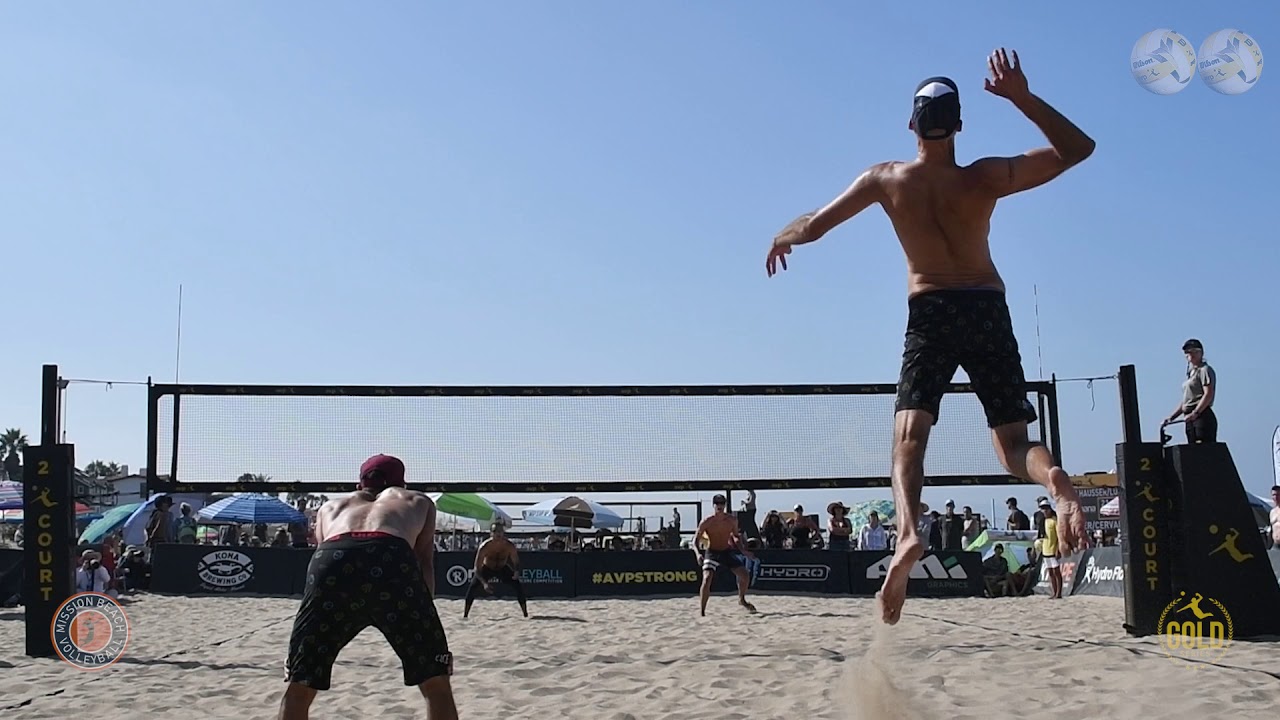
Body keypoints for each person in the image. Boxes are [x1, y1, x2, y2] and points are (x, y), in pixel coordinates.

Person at [765, 49, 1091, 625]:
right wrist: (1021, 98)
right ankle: (1055, 482)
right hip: (987, 305)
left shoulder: (887, 180)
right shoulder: (986, 177)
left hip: (930, 309)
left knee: (909, 437)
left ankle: (909, 534)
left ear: (911, 125)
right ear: (959, 124)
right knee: (1015, 447)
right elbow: (1077, 150)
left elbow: (814, 225)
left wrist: (781, 235)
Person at [278, 454, 458, 720]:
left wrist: (302, 640)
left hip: (334, 558)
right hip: (391, 557)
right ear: (402, 483)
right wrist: (427, 625)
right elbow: (424, 564)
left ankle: (300, 670)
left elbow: (321, 562)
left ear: (359, 484)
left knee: (300, 683)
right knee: (436, 683)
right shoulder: (417, 500)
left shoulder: (330, 507)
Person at [692, 494, 756, 616]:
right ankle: (702, 612)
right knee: (707, 578)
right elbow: (695, 540)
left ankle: (742, 599)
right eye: (717, 503)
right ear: (713, 505)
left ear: (725, 505)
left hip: (726, 551)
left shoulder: (732, 520)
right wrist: (697, 554)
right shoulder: (707, 521)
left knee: (745, 575)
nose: (719, 506)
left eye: (722, 503)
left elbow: (736, 536)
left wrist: (743, 550)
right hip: (712, 552)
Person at [464, 522, 529, 619]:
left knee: (518, 586)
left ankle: (525, 614)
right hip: (487, 568)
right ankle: (465, 614)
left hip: (502, 568)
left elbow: (516, 561)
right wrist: (484, 583)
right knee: (472, 587)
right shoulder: (485, 547)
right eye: (495, 532)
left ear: (503, 533)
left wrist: (516, 571)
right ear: (491, 533)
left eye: (500, 531)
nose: (498, 534)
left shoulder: (509, 546)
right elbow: (477, 568)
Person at [1161, 338, 1217, 444]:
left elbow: (1208, 394)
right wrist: (1171, 418)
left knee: (1202, 448)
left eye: (1194, 351)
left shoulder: (1204, 370)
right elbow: (1186, 400)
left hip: (1201, 415)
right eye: (1187, 352)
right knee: (1192, 450)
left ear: (1201, 353)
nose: (1191, 354)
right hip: (1188, 418)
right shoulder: (1191, 374)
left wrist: (1196, 413)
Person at [1039, 500, 1063, 599]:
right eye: (1042, 509)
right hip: (1045, 549)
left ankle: (1059, 592)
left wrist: (1058, 548)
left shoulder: (1054, 520)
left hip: (1053, 549)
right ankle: (1054, 592)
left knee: (1057, 572)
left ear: (1049, 509)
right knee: (1050, 572)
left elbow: (1059, 536)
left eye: (1046, 509)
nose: (1044, 511)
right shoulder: (1042, 521)